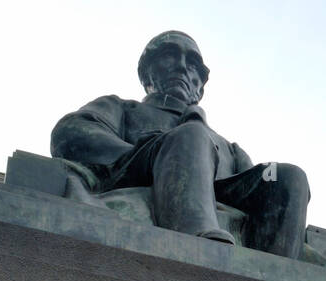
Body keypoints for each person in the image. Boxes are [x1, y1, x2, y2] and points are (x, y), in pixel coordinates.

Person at [51, 31, 310, 258]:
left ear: (200, 86)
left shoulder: (229, 148)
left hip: (218, 190)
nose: (183, 67)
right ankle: (201, 254)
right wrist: (158, 158)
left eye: (194, 64)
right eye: (169, 56)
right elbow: (70, 134)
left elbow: (253, 191)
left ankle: (276, 277)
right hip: (138, 167)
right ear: (148, 74)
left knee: (289, 176)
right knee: (190, 136)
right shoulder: (122, 108)